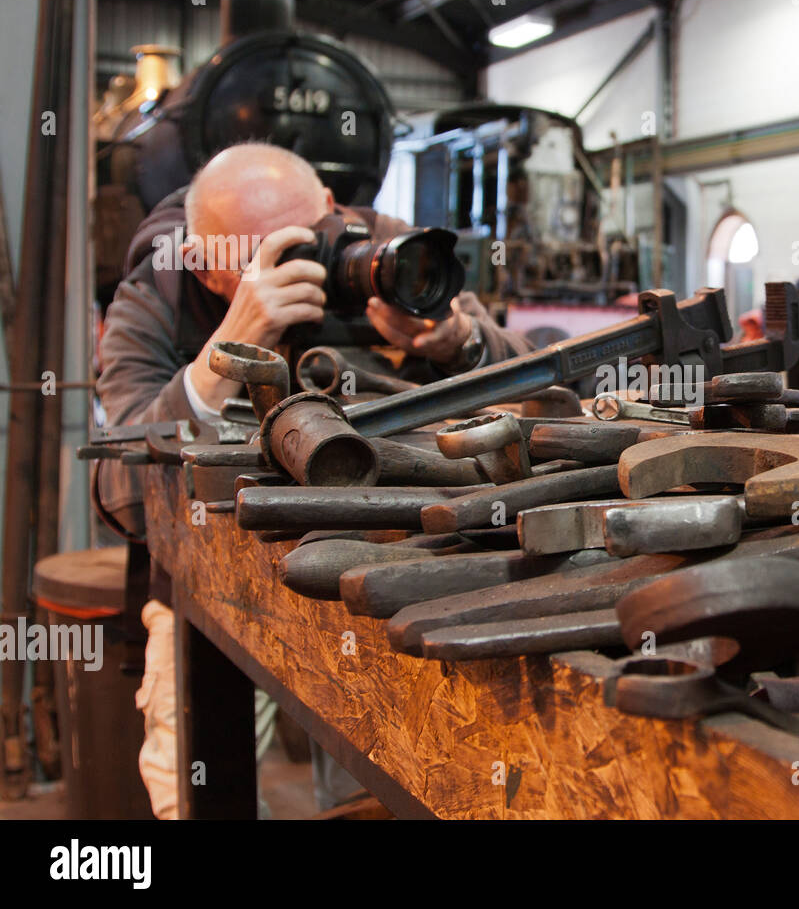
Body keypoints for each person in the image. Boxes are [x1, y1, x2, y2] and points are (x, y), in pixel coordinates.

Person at [95, 142, 532, 818]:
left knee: (399, 772)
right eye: (268, 255)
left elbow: (532, 383)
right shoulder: (159, 294)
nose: (311, 265)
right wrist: (221, 356)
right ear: (206, 267)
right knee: (191, 774)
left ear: (330, 206)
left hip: (385, 549)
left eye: (312, 237)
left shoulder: (385, 249)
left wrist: (459, 342)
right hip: (216, 570)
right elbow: (117, 492)